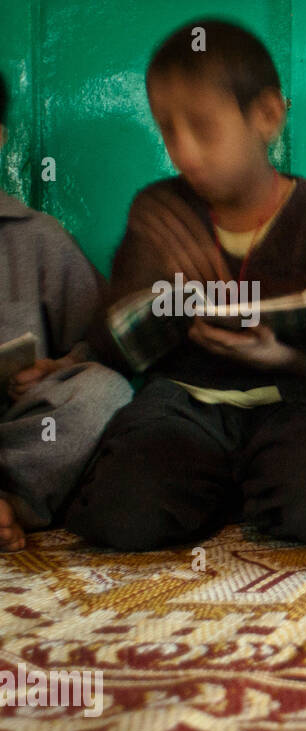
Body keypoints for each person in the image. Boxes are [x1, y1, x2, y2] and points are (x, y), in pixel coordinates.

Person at [65, 19, 306, 550]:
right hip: (185, 405)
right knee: (121, 517)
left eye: (202, 126)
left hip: (291, 402)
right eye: (168, 129)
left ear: (266, 115)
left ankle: (243, 486)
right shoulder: (161, 211)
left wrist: (289, 360)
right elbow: (110, 347)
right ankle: (219, 485)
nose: (185, 151)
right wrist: (164, 297)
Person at [0, 71, 133, 552]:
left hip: (13, 439)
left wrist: (56, 367)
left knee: (103, 393)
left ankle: (13, 502)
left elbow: (101, 345)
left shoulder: (36, 237)